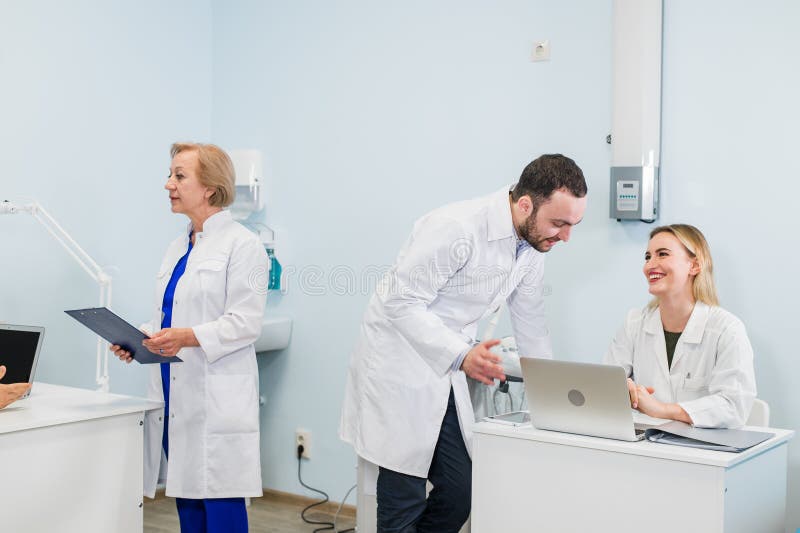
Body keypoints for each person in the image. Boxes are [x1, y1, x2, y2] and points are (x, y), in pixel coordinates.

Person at [339, 154, 588, 532]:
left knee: (460, 493)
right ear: (525, 205)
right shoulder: (455, 227)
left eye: (573, 225)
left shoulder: (531, 248)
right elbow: (400, 300)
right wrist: (461, 354)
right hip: (400, 366)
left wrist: (553, 399)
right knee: (402, 498)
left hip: (447, 369)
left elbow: (532, 327)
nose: (566, 236)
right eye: (559, 223)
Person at [111, 142, 267, 532]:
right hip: (174, 388)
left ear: (210, 187)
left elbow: (245, 323)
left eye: (179, 176)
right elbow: (169, 315)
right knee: (189, 502)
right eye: (170, 174)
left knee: (221, 502)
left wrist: (186, 336)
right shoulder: (178, 246)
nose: (168, 184)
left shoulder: (244, 246)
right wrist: (139, 338)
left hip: (216, 394)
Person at [604, 224, 756, 428]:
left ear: (694, 266)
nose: (650, 265)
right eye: (648, 257)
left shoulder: (727, 329)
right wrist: (622, 387)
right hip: (643, 445)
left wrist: (661, 410)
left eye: (662, 254)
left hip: (703, 452)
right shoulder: (634, 323)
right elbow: (603, 385)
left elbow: (733, 406)